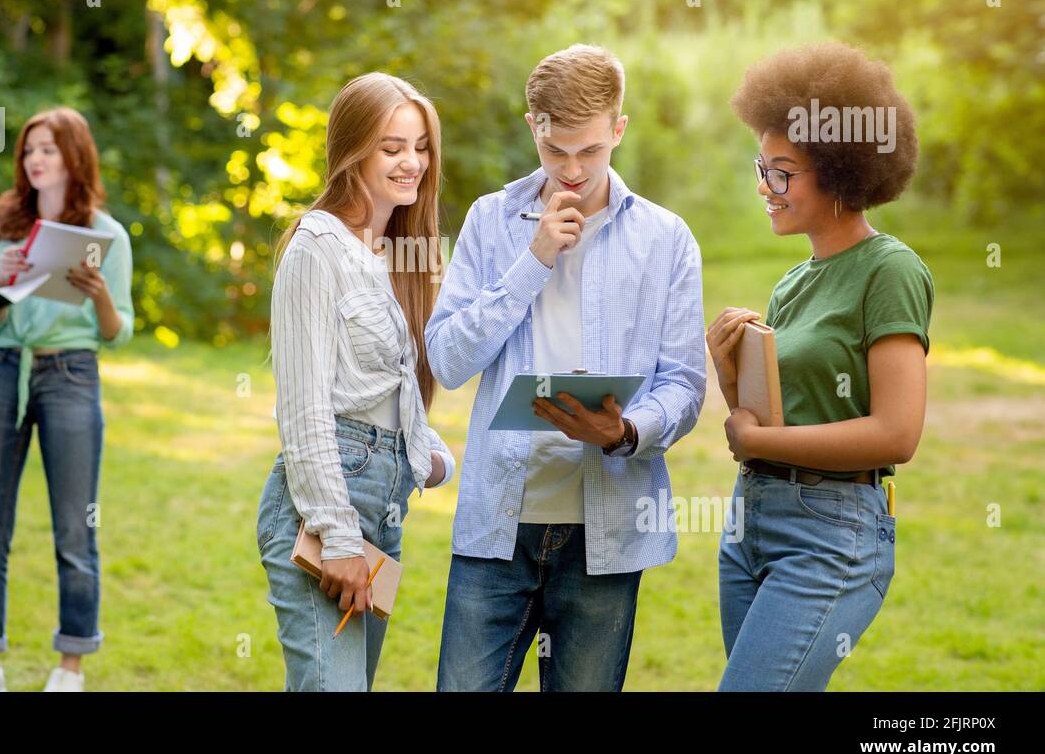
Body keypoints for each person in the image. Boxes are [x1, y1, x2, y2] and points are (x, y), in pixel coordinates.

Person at [426, 44, 707, 691]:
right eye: (555, 151)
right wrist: (534, 260)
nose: (573, 170)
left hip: (605, 529)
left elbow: (684, 383)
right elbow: (447, 359)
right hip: (498, 526)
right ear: (533, 127)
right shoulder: (491, 221)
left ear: (619, 129)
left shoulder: (666, 239)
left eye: (591, 151)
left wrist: (626, 431)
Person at [707, 41, 932, 691]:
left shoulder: (890, 271)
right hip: (752, 521)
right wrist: (728, 374)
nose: (764, 187)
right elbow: (766, 424)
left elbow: (896, 435)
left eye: (782, 172)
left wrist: (758, 441)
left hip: (829, 533)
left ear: (839, 171)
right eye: (762, 167)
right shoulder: (793, 284)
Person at [257, 73, 457, 691]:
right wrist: (339, 537)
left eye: (420, 147)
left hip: (385, 508)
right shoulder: (317, 247)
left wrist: (425, 455)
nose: (411, 162)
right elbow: (305, 411)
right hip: (324, 509)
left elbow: (387, 388)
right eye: (391, 147)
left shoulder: (395, 255)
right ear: (353, 152)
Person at [0, 107, 133, 693]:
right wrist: (1, 285)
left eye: (48, 149)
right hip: (2, 370)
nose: (35, 159)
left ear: (75, 157)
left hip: (71, 375)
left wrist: (99, 294)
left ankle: (70, 665)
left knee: (75, 530)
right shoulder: (2, 223)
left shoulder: (107, 235)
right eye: (29, 150)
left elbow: (117, 332)